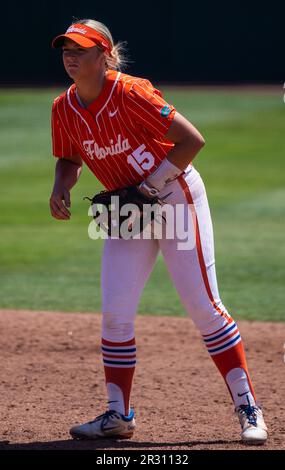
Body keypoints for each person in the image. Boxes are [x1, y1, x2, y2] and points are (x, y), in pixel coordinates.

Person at [50, 19, 268, 444]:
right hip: (131, 211)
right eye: (64, 49)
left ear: (104, 55)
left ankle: (248, 407)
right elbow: (69, 159)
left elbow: (192, 141)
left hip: (175, 199)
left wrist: (148, 189)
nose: (70, 56)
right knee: (115, 313)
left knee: (204, 306)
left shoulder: (132, 93)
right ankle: (118, 415)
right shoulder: (64, 107)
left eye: (79, 48)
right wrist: (61, 184)